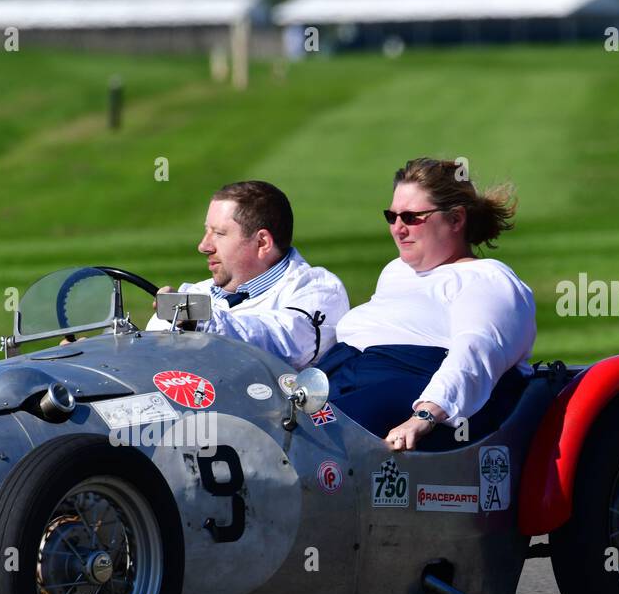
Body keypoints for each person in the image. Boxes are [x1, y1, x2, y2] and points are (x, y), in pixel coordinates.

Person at [316, 158, 536, 451]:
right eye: (391, 217)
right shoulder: (396, 272)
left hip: (407, 389)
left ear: (456, 219)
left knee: (307, 434)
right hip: (340, 380)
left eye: (411, 217)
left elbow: (475, 352)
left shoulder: (487, 279)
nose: (398, 229)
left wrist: (425, 414)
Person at [145, 180, 350, 370]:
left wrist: (195, 320)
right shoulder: (197, 294)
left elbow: (285, 342)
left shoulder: (317, 288)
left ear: (262, 243)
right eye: (207, 231)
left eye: (219, 233)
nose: (204, 246)